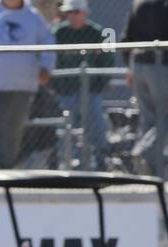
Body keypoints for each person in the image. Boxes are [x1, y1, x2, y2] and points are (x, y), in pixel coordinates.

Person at [0, 0, 57, 169]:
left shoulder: (33, 17)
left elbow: (49, 44)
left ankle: (6, 169)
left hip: (24, 85)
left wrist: (45, 68)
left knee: (15, 130)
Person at [123, 0, 168, 178]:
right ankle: (144, 152)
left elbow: (125, 38)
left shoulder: (139, 4)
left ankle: (153, 176)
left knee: (150, 121)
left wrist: (129, 67)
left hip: (139, 64)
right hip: (164, 65)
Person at [53, 0, 114, 169]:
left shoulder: (97, 33)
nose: (72, 16)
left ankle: (101, 158)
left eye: (76, 12)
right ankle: (67, 161)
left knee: (96, 124)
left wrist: (102, 82)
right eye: (69, 12)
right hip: (66, 90)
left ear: (85, 13)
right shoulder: (59, 33)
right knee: (67, 125)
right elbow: (51, 60)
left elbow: (107, 60)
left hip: (91, 90)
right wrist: (56, 85)